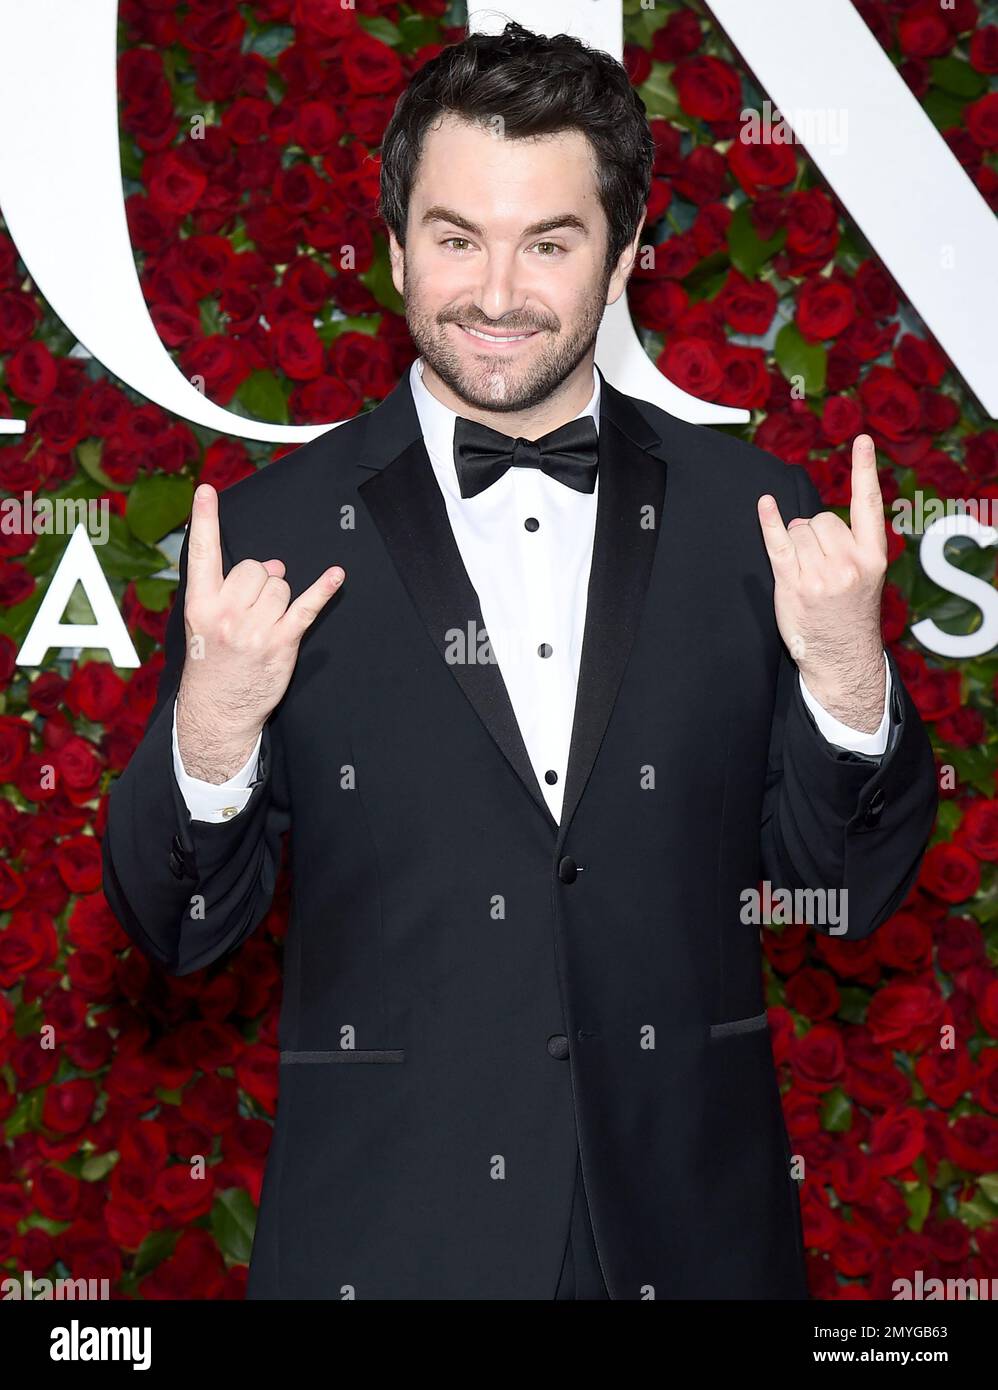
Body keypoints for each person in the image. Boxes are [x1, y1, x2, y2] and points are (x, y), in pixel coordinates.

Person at [102, 21, 939, 1300]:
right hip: (387, 1243)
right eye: (455, 238)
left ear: (620, 260)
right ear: (392, 253)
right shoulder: (265, 539)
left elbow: (845, 894)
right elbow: (178, 935)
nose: (495, 292)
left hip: (690, 1237)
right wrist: (211, 734)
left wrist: (845, 682)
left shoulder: (750, 518)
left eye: (547, 241)